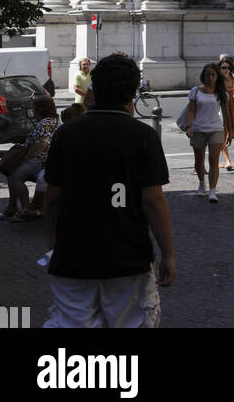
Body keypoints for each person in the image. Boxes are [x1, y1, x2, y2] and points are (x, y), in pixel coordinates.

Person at [42, 52, 175, 328]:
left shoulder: (65, 134)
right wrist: (168, 255)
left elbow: (52, 199)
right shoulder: (143, 136)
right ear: (132, 93)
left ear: (93, 90)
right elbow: (153, 200)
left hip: (72, 254)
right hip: (127, 256)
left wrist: (54, 245)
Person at [0, 92, 59, 222]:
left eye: (34, 108)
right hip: (43, 159)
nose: (32, 112)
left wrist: (25, 159)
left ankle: (26, 210)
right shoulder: (53, 121)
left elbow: (41, 144)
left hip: (39, 160)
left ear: (40, 109)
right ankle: (12, 207)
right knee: (11, 174)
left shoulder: (45, 124)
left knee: (15, 178)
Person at [186, 63, 231, 203]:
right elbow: (191, 110)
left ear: (217, 76)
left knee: (213, 159)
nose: (210, 77)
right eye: (207, 75)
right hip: (198, 128)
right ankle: (201, 183)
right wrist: (189, 126)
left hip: (216, 129)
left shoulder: (221, 93)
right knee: (199, 160)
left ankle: (212, 190)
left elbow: (226, 113)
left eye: (213, 75)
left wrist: (230, 131)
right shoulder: (195, 91)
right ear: (203, 76)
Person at [218, 56, 234, 171]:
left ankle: (216, 160)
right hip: (221, 109)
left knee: (227, 134)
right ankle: (227, 161)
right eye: (223, 67)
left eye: (228, 68)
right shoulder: (217, 81)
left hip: (232, 108)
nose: (226, 70)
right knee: (222, 134)